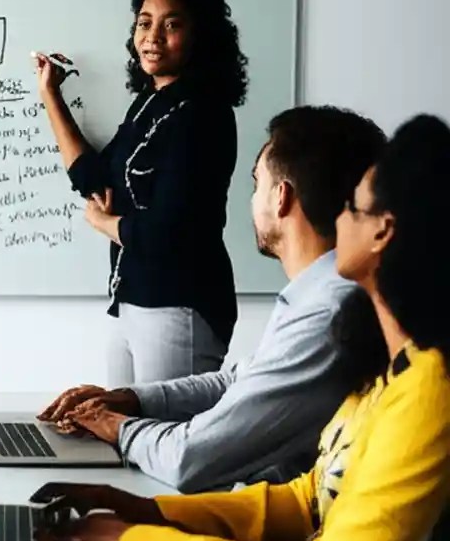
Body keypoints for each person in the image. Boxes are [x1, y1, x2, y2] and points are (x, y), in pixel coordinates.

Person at [33, 115, 450, 541]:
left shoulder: (428, 388)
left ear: (383, 232)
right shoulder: (386, 366)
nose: (336, 221)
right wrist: (146, 511)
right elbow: (308, 500)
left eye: (352, 210)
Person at [37, 106, 387, 492]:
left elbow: (190, 458)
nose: (252, 200)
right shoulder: (320, 295)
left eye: (257, 184)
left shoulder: (330, 313)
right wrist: (131, 400)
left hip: (273, 526)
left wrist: (116, 426)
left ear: (281, 198)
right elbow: (240, 379)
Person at [37, 0, 248, 385]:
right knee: (121, 434)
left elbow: (168, 233)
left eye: (172, 24)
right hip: (129, 298)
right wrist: (51, 94)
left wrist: (105, 223)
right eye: (144, 23)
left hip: (179, 303)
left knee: (163, 442)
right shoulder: (147, 105)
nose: (153, 36)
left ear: (200, 34)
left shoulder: (202, 114)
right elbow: (93, 179)